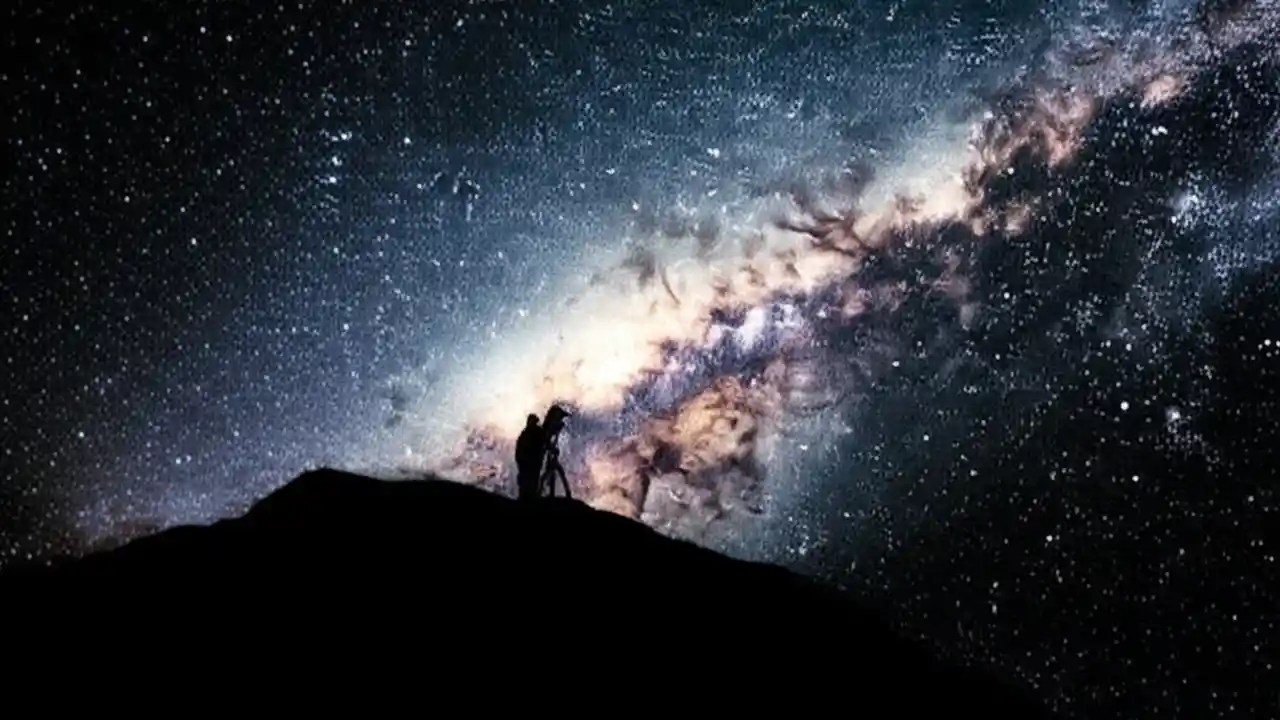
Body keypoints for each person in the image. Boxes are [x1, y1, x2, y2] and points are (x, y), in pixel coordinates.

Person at [539, 404, 573, 499]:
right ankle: (543, 492)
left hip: (548, 453)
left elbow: (551, 442)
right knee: (550, 473)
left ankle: (544, 492)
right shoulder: (548, 428)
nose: (561, 420)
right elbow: (546, 442)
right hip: (545, 453)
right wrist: (552, 449)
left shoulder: (552, 427)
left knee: (553, 472)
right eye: (559, 418)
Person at [514, 414, 545, 501]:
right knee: (527, 488)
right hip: (527, 466)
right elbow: (519, 453)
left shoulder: (535, 432)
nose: (534, 424)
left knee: (530, 487)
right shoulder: (525, 435)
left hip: (531, 465)